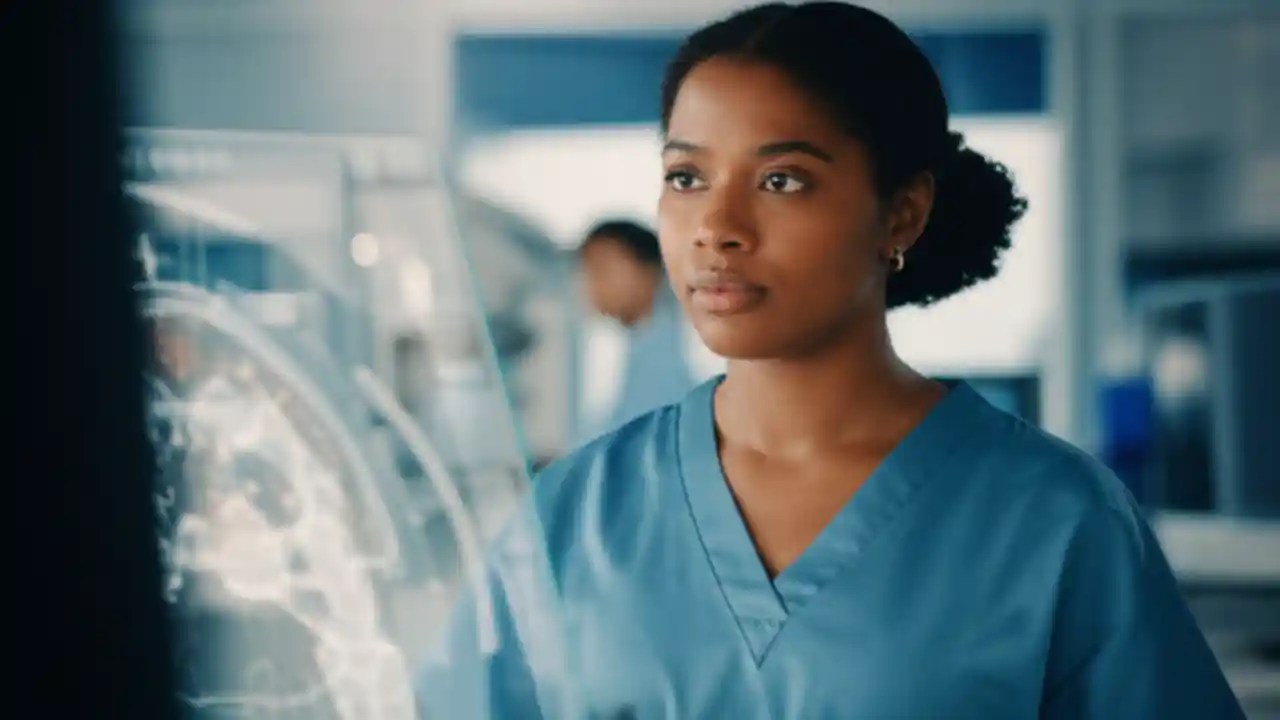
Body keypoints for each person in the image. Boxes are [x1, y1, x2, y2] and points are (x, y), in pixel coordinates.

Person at [418, 4, 1245, 718]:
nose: (717, 226)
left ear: (903, 213)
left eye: (781, 180)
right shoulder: (578, 515)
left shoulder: (1052, 519)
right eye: (686, 176)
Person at [577, 219, 696, 437]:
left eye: (602, 270)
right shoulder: (634, 344)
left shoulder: (694, 344)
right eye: (587, 271)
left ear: (648, 271)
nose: (590, 284)